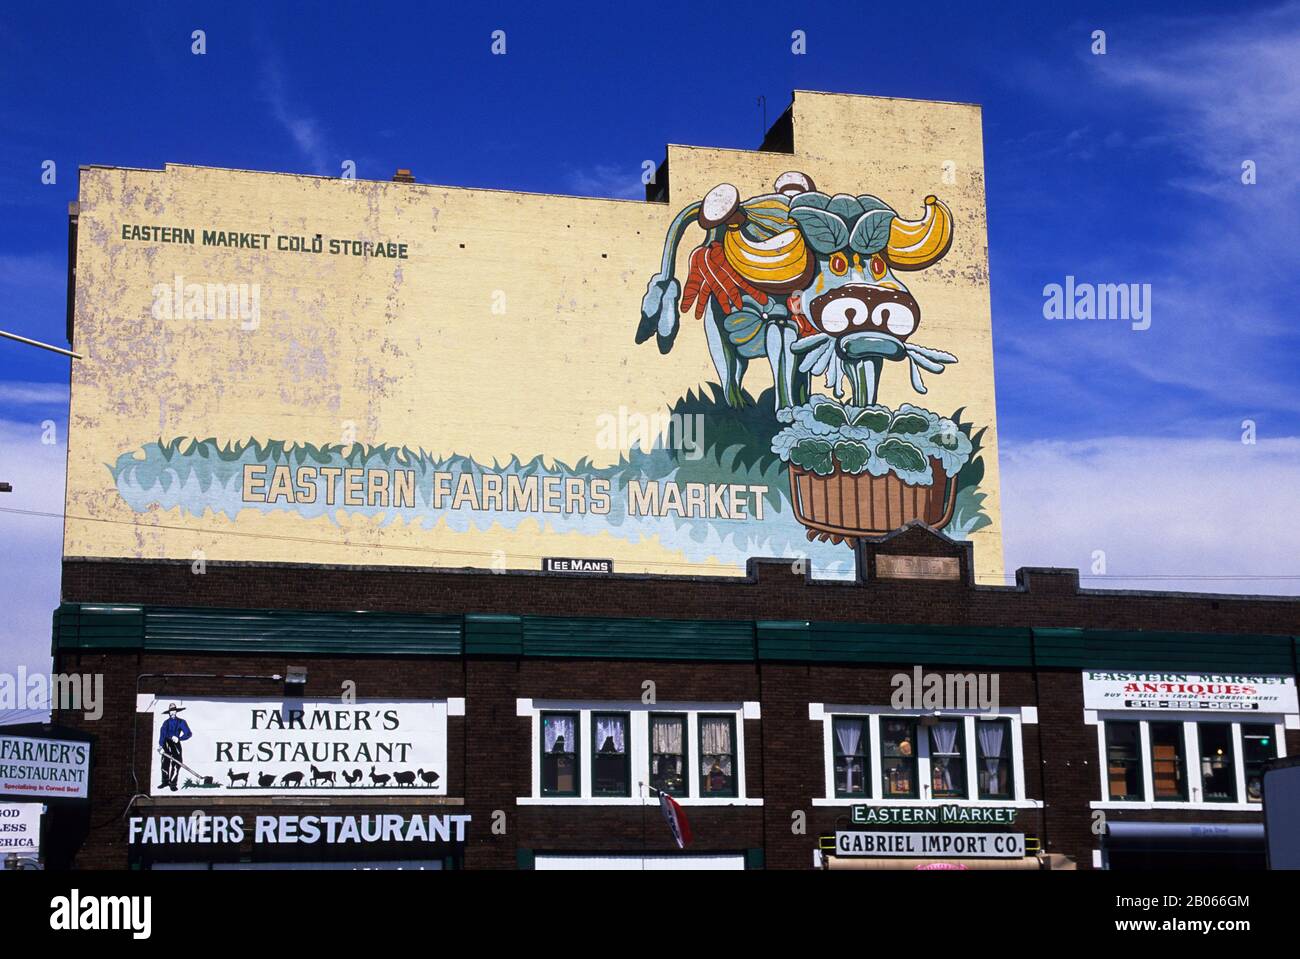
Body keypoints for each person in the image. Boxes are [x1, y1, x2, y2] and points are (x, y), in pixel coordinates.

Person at [158, 703, 193, 791]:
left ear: (176, 711)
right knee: (164, 762)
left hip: (176, 743)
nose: (172, 712)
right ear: (169, 713)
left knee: (177, 763)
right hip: (166, 743)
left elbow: (188, 733)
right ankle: (165, 781)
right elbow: (162, 734)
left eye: (174, 711)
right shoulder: (166, 723)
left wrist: (179, 738)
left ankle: (173, 784)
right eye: (171, 711)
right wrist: (160, 746)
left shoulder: (181, 722)